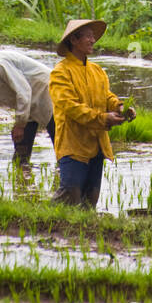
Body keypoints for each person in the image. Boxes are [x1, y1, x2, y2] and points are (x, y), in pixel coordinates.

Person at [48, 18, 130, 208]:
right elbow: (71, 107)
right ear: (74, 40)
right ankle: (44, 224)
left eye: (93, 36)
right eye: (88, 36)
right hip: (73, 145)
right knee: (70, 194)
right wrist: (103, 118)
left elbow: (106, 96)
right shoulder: (60, 73)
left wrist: (119, 107)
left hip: (96, 144)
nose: (93, 40)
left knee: (90, 199)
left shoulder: (97, 70)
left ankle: (82, 236)